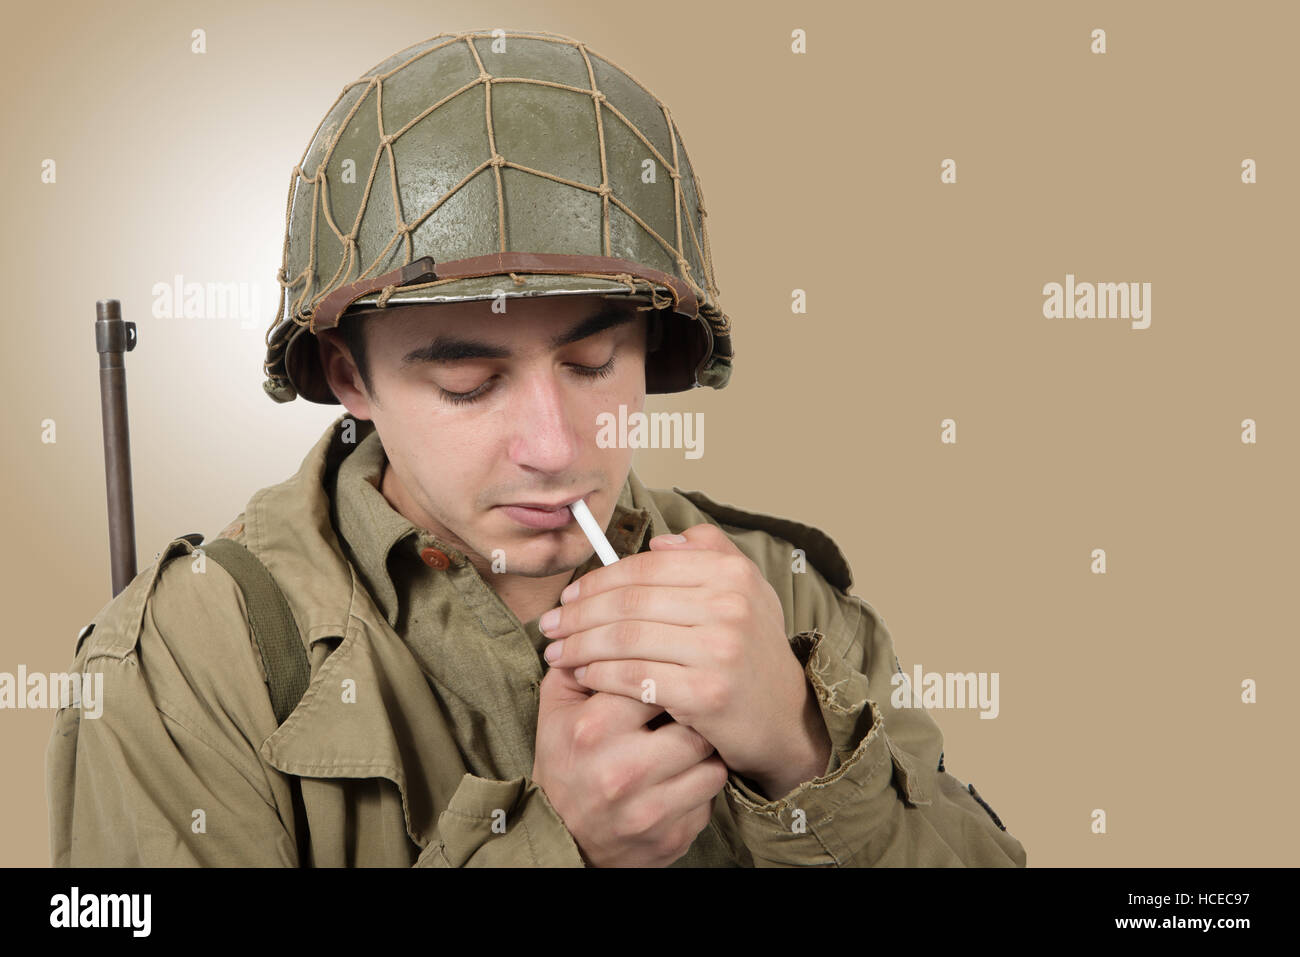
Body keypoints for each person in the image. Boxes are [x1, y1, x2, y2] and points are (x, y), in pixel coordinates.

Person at [46, 29, 1026, 867]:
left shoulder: (784, 593)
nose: (556, 448)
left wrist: (804, 753)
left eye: (593, 363)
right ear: (351, 379)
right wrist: (560, 844)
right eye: (469, 385)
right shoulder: (191, 661)